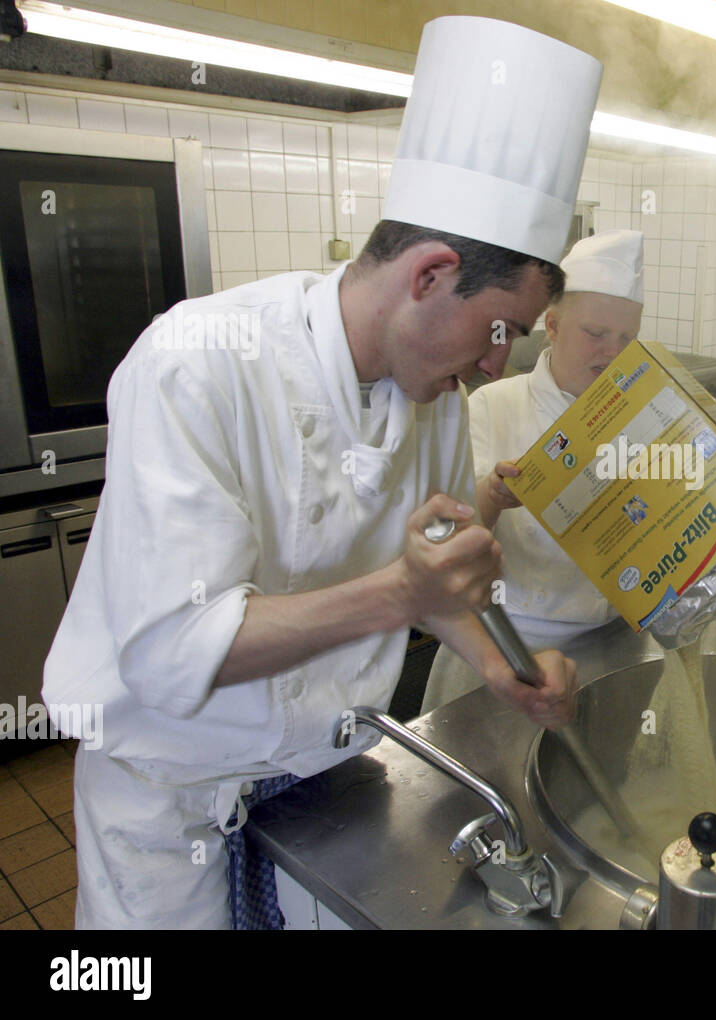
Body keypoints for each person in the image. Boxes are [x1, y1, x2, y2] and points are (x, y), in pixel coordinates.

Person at [41, 16, 603, 930]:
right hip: (172, 814)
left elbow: (438, 579)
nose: (500, 363)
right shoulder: (199, 363)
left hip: (324, 795)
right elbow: (172, 650)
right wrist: (397, 593)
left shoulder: (435, 403)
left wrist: (503, 667)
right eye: (500, 328)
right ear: (430, 275)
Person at [421, 229, 644, 712]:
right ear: (555, 325)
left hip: (613, 644)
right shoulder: (491, 405)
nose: (612, 352)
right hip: (506, 647)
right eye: (596, 334)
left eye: (627, 338)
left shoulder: (644, 416)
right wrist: (493, 493)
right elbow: (451, 536)